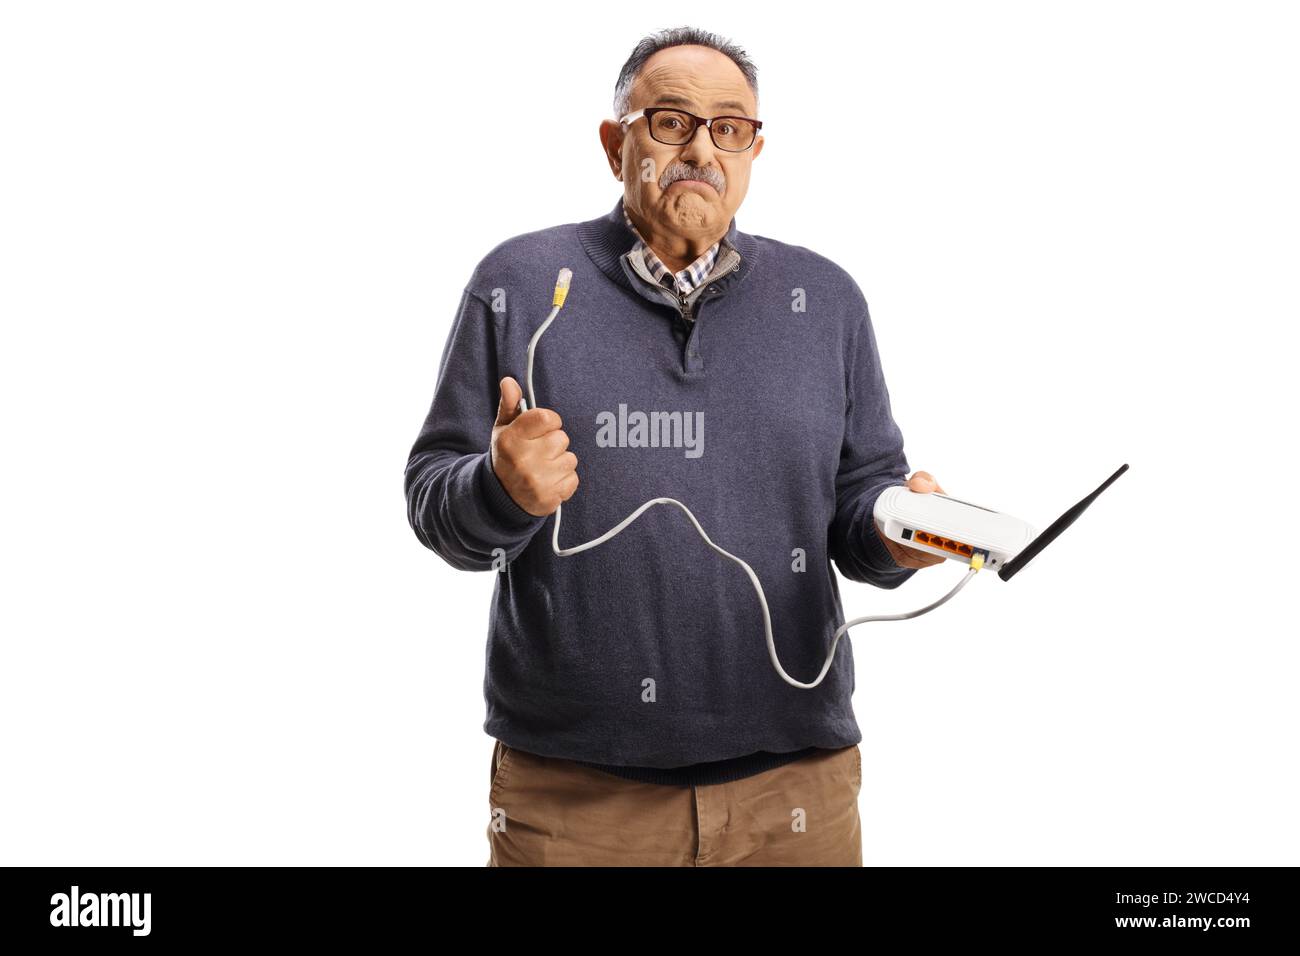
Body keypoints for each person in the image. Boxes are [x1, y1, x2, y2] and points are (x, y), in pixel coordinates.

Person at [404, 26, 949, 866]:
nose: (702, 148)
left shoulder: (827, 300)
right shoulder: (517, 285)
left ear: (755, 149)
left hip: (796, 787)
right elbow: (433, 497)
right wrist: (499, 491)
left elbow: (856, 499)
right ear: (614, 143)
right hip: (576, 797)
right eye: (670, 122)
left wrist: (897, 531)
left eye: (731, 127)